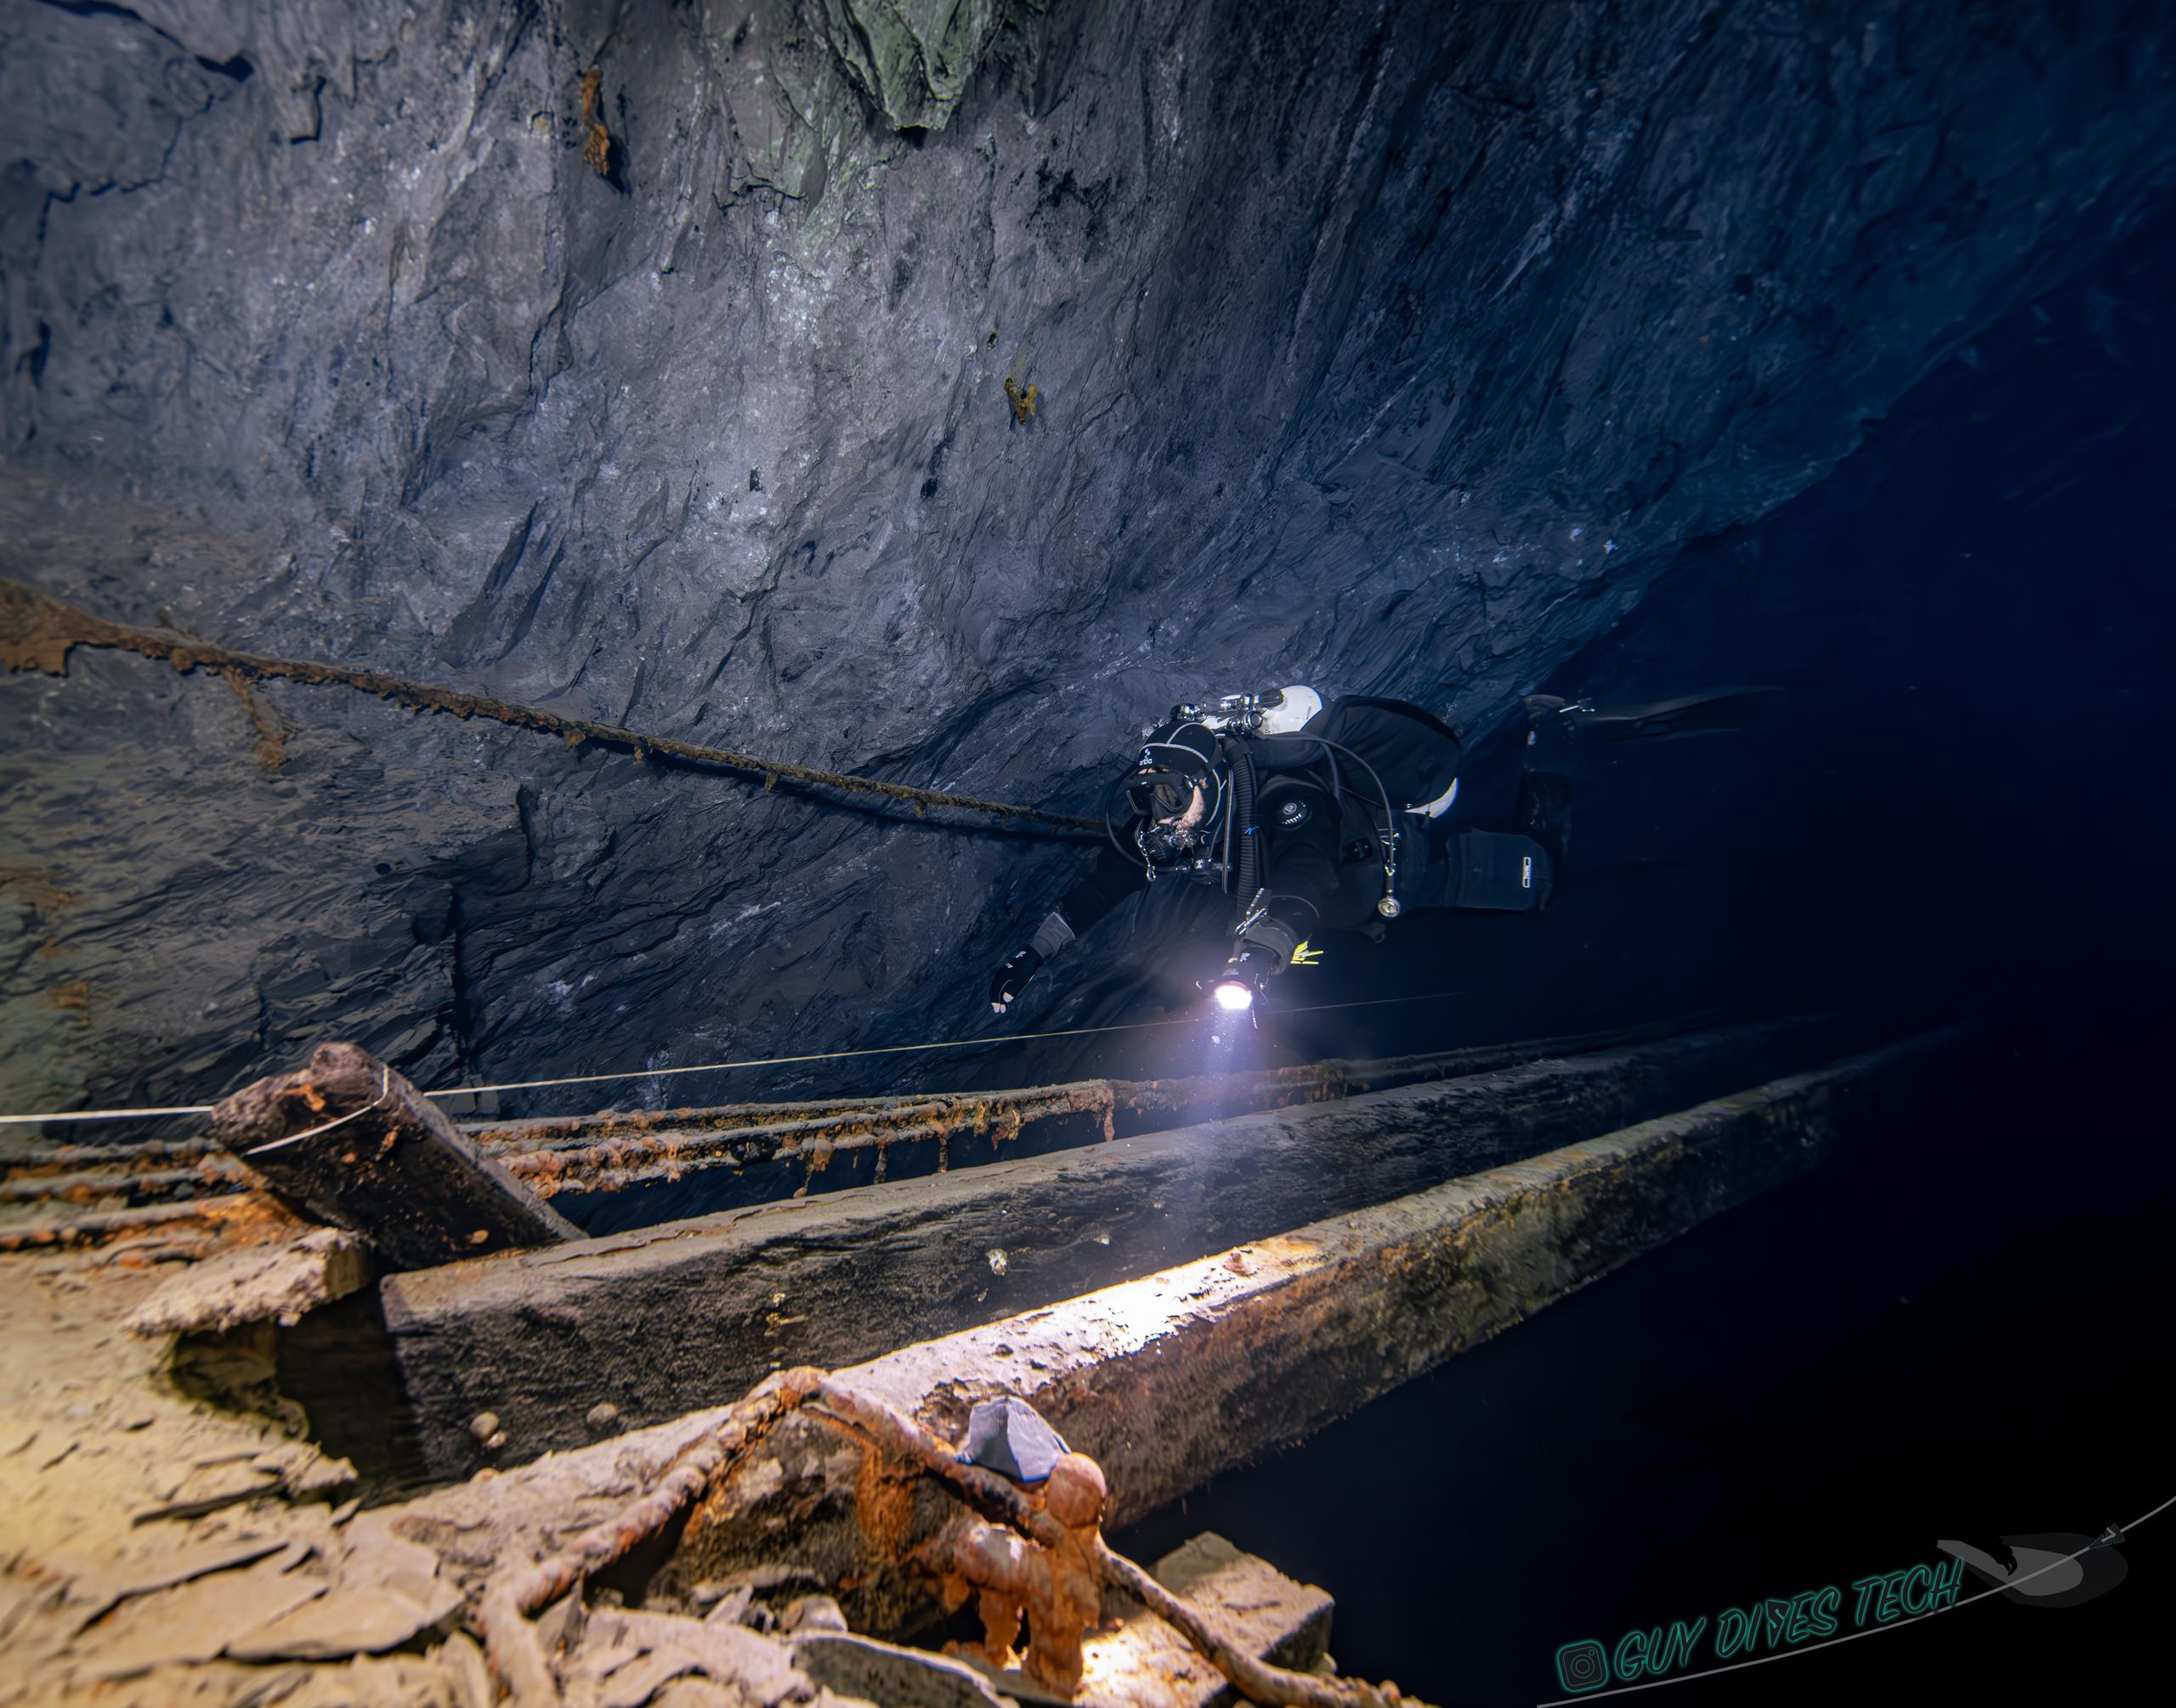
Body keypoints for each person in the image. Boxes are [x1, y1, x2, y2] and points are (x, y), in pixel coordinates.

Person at [986, 683, 1777, 1015]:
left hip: (1413, 868)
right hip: (1368, 913)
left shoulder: (1284, 797)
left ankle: (1557, 733)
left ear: (1208, 782)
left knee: (1543, 880)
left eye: (1165, 797)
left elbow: (1300, 878)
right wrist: (1031, 956)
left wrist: (1259, 954)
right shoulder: (1175, 829)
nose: (1156, 817)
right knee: (1451, 933)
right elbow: (1103, 885)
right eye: (1143, 798)